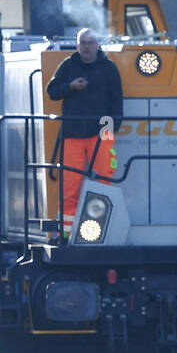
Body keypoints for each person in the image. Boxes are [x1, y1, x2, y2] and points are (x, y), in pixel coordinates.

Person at [45, 27, 124, 237]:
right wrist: (70, 86)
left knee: (105, 184)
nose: (87, 47)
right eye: (83, 43)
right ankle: (67, 235)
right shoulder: (68, 66)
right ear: (77, 45)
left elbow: (117, 102)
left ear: (98, 45)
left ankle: (102, 232)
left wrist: (112, 128)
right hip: (73, 132)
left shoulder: (109, 69)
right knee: (70, 187)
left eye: (91, 43)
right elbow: (51, 91)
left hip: (103, 133)